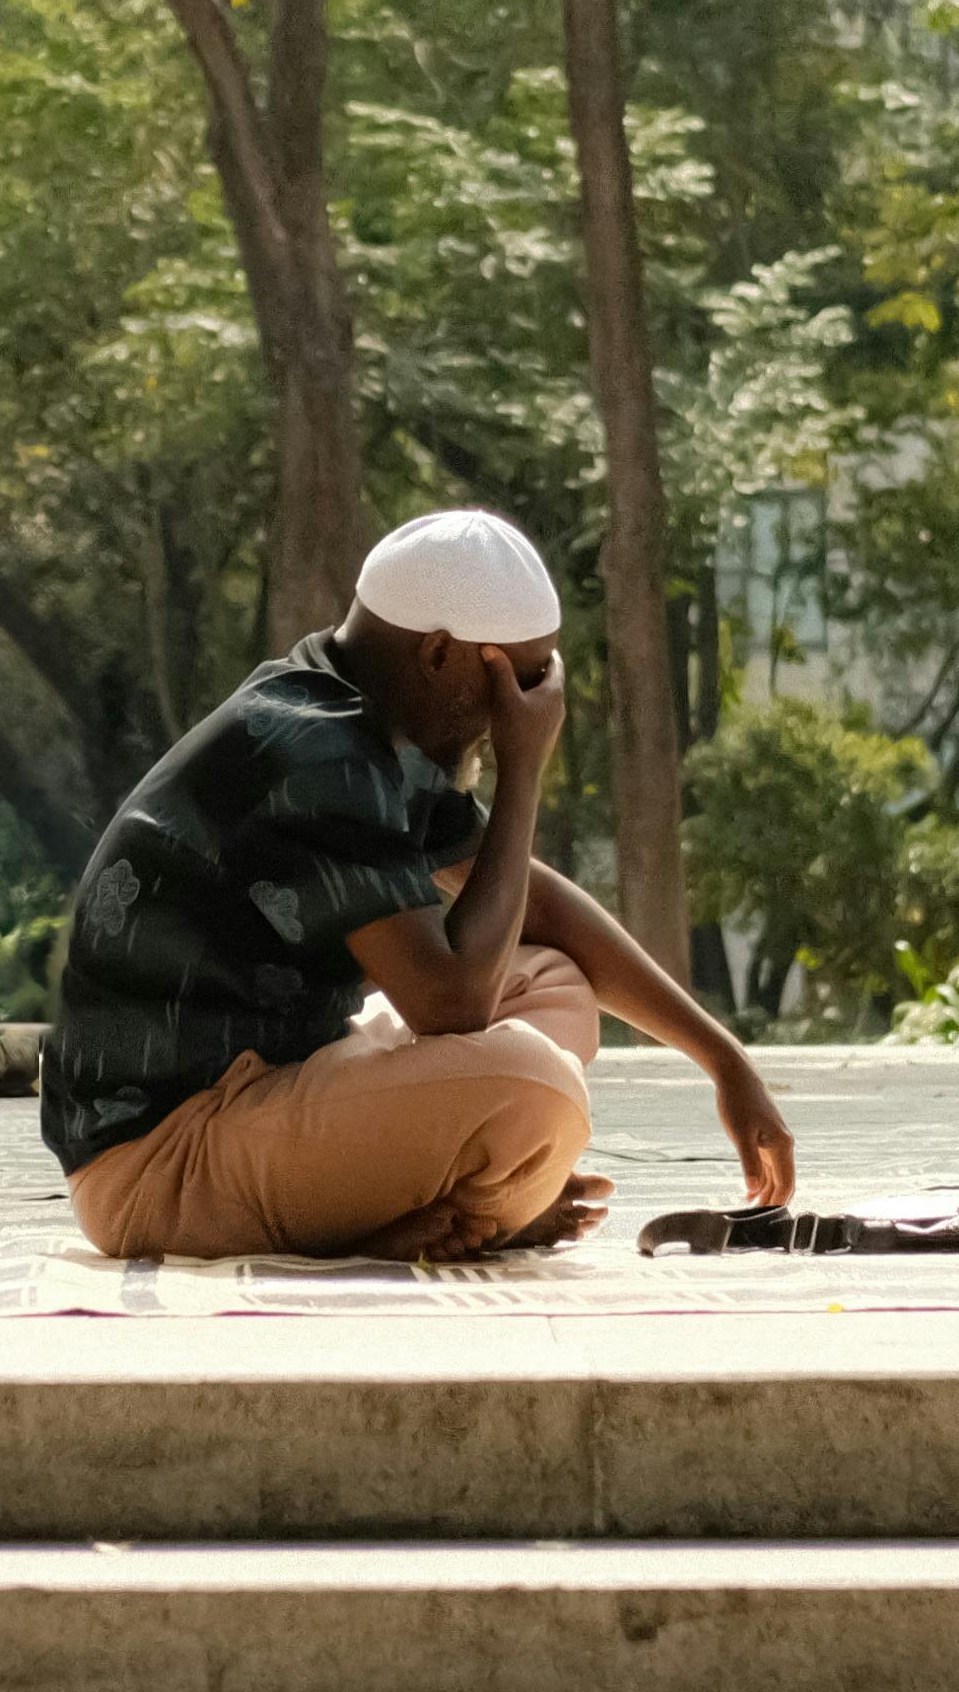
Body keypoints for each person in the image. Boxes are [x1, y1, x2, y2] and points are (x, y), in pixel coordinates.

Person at [42, 508, 795, 1261]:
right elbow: (451, 1003)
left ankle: (427, 1209)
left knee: (551, 983)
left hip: (271, 1086)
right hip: (163, 1165)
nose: (528, 708)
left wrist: (725, 1061)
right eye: (521, 681)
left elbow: (536, 906)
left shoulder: (361, 708)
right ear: (440, 652)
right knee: (537, 1089)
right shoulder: (315, 748)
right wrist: (523, 769)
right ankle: (453, 1214)